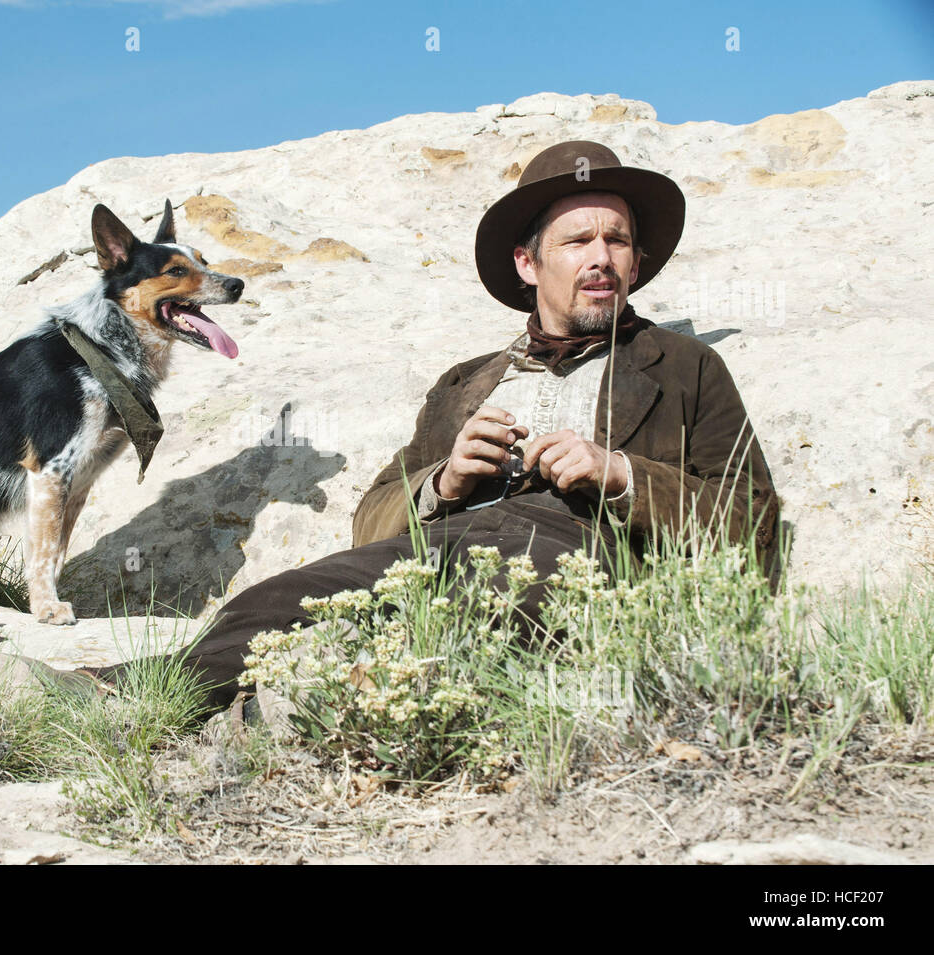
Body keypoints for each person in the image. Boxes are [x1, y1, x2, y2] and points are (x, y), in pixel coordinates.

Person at [91, 140, 781, 712]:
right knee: (279, 598)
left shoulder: (685, 367)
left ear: (635, 260)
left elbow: (753, 521)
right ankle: (118, 695)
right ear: (527, 262)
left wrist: (619, 473)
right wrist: (445, 479)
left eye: (618, 240)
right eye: (577, 241)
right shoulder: (464, 383)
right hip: (441, 545)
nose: (601, 257)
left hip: (577, 555)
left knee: (447, 610)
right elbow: (371, 519)